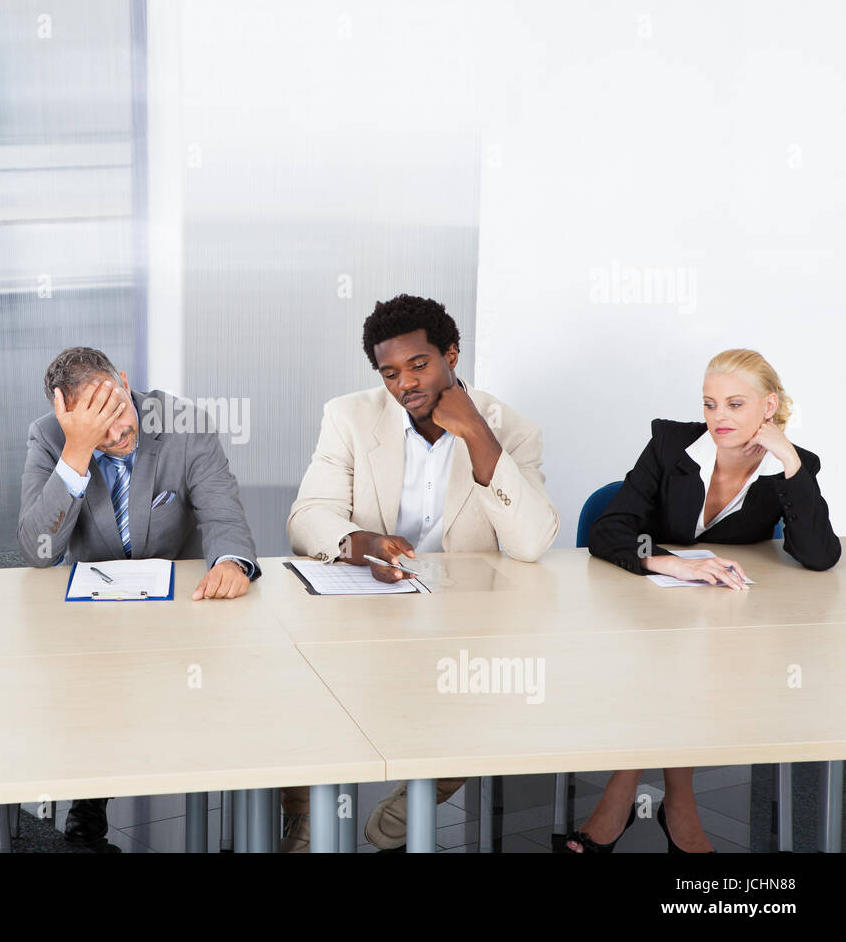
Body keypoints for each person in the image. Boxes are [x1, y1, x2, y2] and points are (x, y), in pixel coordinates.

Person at [285, 294, 560, 851]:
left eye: (420, 365)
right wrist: (359, 543)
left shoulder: (513, 428)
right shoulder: (349, 417)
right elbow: (307, 517)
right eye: (390, 373)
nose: (405, 383)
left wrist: (479, 436)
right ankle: (308, 819)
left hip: (462, 624)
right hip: (368, 610)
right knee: (304, 694)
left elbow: (531, 544)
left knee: (488, 692)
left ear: (452, 356)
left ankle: (424, 792)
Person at [567, 348, 838, 853]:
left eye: (735, 404)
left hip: (723, 622)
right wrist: (673, 562)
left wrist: (789, 459)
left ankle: (624, 794)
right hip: (641, 609)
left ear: (768, 406)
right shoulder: (672, 444)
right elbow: (610, 528)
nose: (718, 418)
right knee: (671, 661)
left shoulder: (790, 469)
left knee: (692, 659)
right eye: (710, 404)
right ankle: (679, 805)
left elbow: (820, 557)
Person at [18, 346, 260, 851]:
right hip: (94, 609)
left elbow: (223, 515)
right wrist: (76, 453)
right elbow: (40, 551)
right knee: (89, 684)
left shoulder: (184, 423)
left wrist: (232, 562)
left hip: (182, 605)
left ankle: (230, 808)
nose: (116, 434)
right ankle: (90, 792)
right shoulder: (49, 437)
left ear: (125, 383)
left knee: (216, 685)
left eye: (117, 412)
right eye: (95, 427)